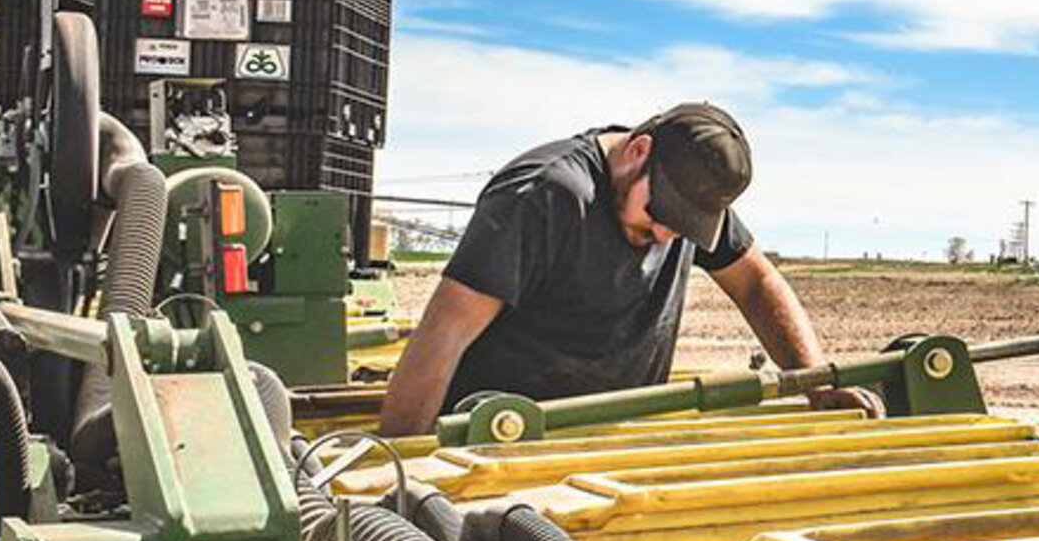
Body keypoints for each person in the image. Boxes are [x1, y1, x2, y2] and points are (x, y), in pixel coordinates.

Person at [376, 103, 881, 436]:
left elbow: (755, 282)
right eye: (660, 215)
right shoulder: (546, 195)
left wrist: (817, 383)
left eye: (684, 228)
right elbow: (444, 333)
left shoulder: (688, 197)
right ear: (638, 150)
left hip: (616, 441)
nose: (666, 235)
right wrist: (401, 468)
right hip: (506, 440)